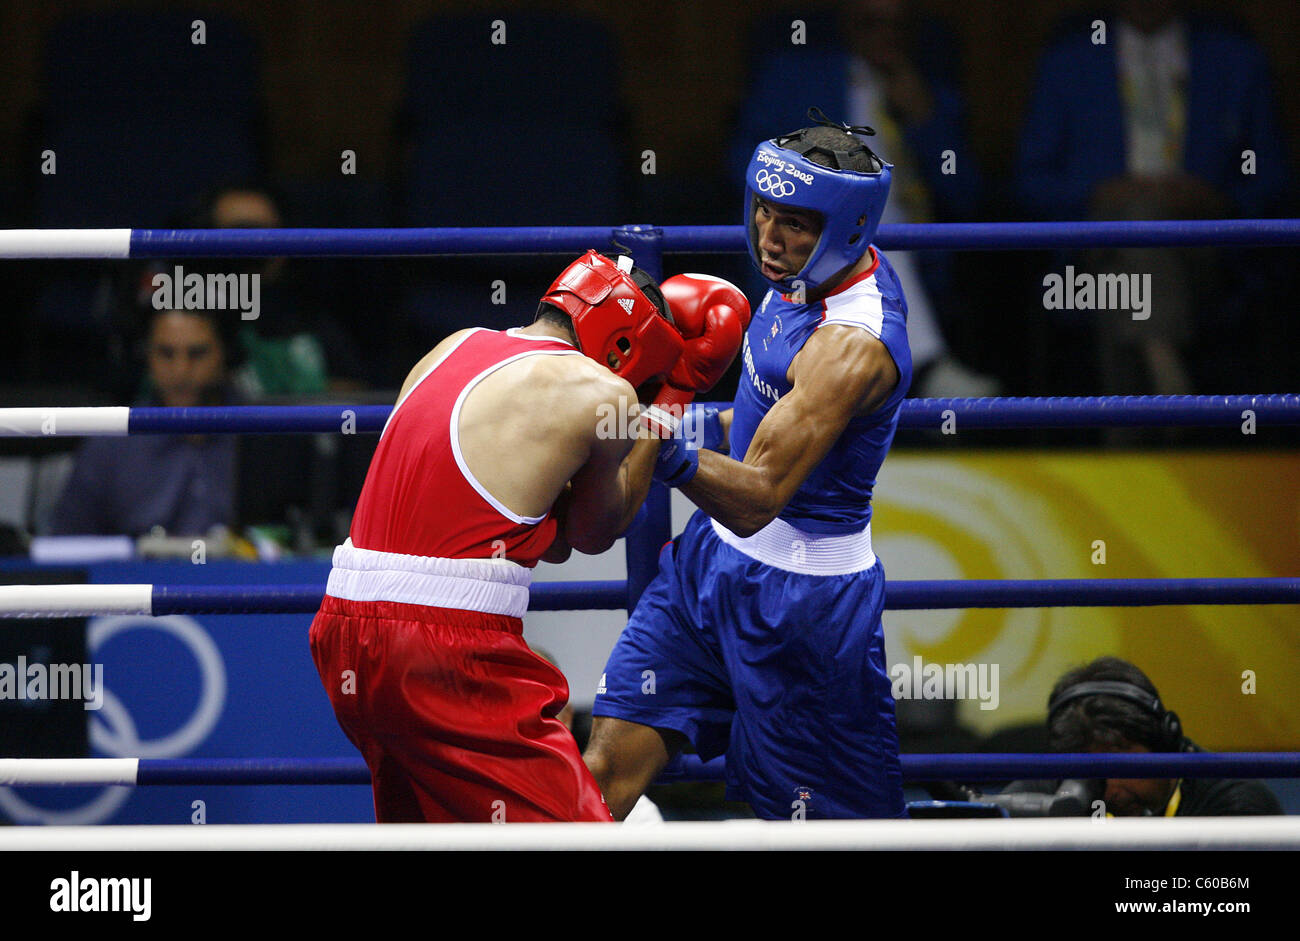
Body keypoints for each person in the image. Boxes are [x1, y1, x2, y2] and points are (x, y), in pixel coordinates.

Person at [308, 250, 748, 823]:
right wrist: (673, 395)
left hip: (342, 633)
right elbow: (593, 533)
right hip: (443, 648)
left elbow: (536, 524)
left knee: (433, 836)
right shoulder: (599, 391)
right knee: (571, 836)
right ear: (625, 347)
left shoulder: (454, 344)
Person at [584, 113, 912, 821]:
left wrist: (657, 437)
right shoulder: (795, 275)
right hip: (706, 569)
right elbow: (758, 422)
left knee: (825, 835)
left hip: (803, 609)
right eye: (763, 210)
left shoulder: (850, 346)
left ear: (850, 226)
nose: (769, 235)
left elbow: (759, 492)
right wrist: (688, 420)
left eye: (793, 222)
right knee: (600, 775)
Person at [1001, 656, 1283, 816]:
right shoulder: (1057, 790)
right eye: (1093, 772)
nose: (1111, 790)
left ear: (1165, 741)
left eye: (1119, 767)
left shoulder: (1236, 805)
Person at [50, 305, 239, 537]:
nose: (181, 371)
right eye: (166, 353)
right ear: (148, 355)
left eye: (197, 353)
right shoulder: (112, 443)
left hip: (249, 572)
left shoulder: (262, 431)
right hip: (135, 573)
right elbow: (67, 544)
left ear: (224, 353)